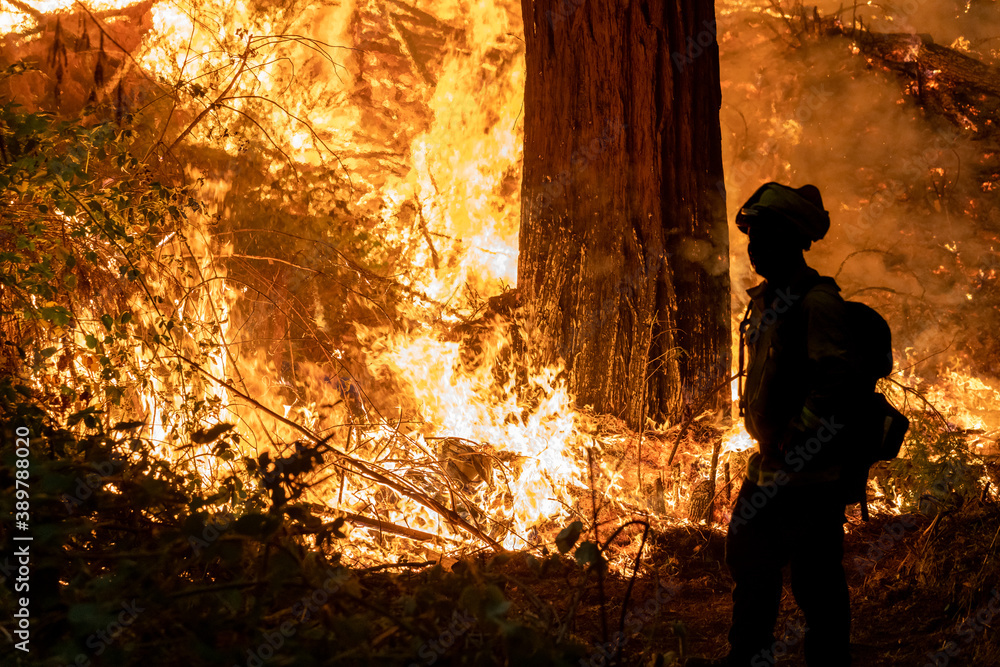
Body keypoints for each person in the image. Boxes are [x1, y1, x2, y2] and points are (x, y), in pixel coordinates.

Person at [689, 182, 861, 667]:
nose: (753, 247)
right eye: (751, 236)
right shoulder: (767, 301)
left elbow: (838, 382)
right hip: (769, 467)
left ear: (790, 239)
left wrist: (799, 434)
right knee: (749, 559)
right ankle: (746, 656)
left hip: (811, 474)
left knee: (815, 580)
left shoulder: (818, 303)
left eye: (764, 236)